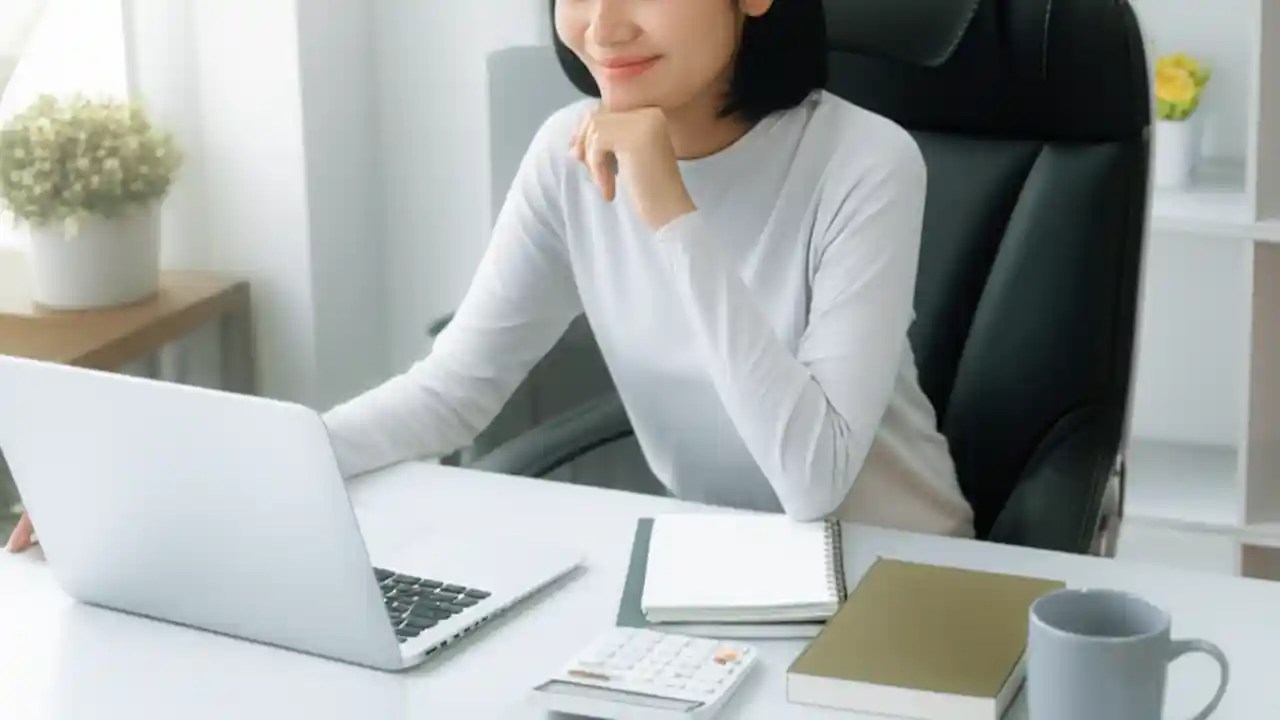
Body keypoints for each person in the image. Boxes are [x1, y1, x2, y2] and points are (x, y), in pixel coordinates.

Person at [7, 0, 974, 554]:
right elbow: (448, 396)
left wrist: (666, 206)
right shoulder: (568, 151)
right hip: (719, 566)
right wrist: (166, 488)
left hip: (904, 572)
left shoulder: (866, 161)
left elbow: (813, 482)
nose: (602, 25)